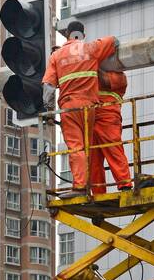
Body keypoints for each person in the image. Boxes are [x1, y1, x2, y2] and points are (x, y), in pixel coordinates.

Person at [43, 20, 119, 194]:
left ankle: (80, 186)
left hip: (69, 107)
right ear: (82, 35)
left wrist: (48, 110)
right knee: (88, 147)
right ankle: (96, 189)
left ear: (67, 35)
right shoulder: (91, 48)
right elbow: (114, 40)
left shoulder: (57, 56)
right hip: (90, 107)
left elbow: (48, 87)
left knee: (76, 148)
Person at [90, 65, 132, 196]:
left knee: (113, 149)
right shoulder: (98, 71)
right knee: (93, 158)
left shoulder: (120, 76)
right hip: (91, 114)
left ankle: (125, 183)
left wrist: (91, 62)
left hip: (108, 114)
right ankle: (98, 192)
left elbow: (105, 81)